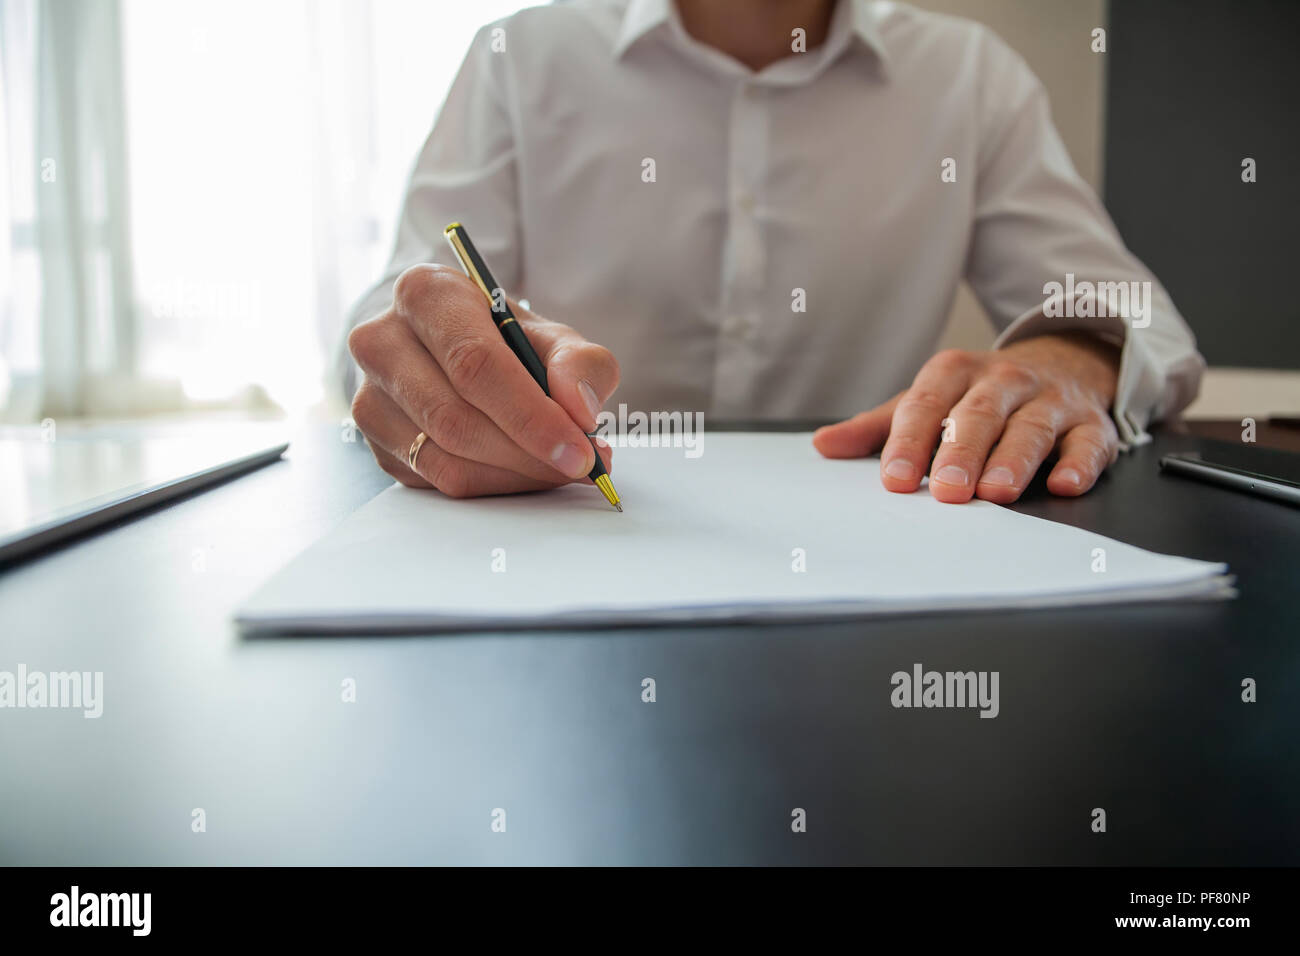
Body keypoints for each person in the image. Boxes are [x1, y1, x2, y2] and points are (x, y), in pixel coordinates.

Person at [341, 0, 1203, 504]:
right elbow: (395, 304)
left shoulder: (969, 78)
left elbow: (1146, 326)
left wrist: (1072, 354)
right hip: (554, 535)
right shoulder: (518, 59)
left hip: (884, 554)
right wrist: (432, 357)